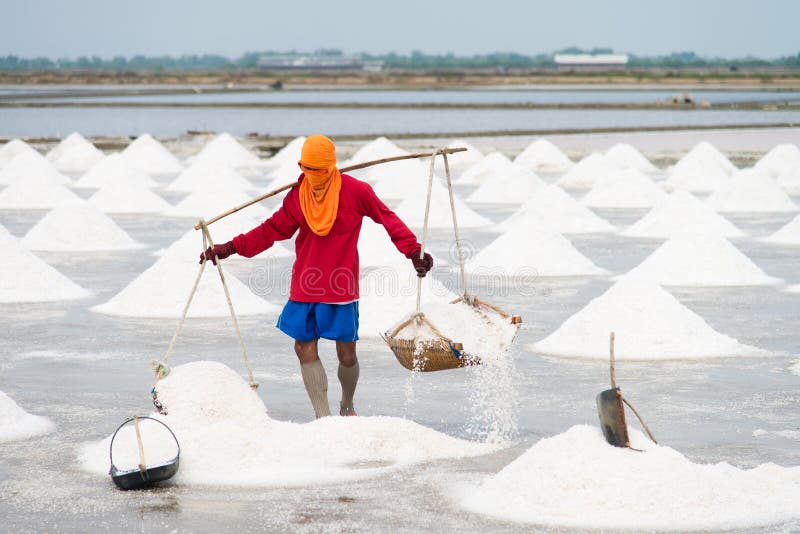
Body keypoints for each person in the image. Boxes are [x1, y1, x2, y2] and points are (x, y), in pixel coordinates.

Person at [200, 134, 433, 418]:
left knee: (347, 355)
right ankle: (322, 417)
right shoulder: (297, 197)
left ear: (331, 166)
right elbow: (270, 230)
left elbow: (388, 219)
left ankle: (347, 406)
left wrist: (413, 252)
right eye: (306, 169)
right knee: (303, 347)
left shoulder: (356, 191)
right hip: (305, 284)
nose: (311, 176)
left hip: (340, 285)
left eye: (318, 170)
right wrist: (230, 248)